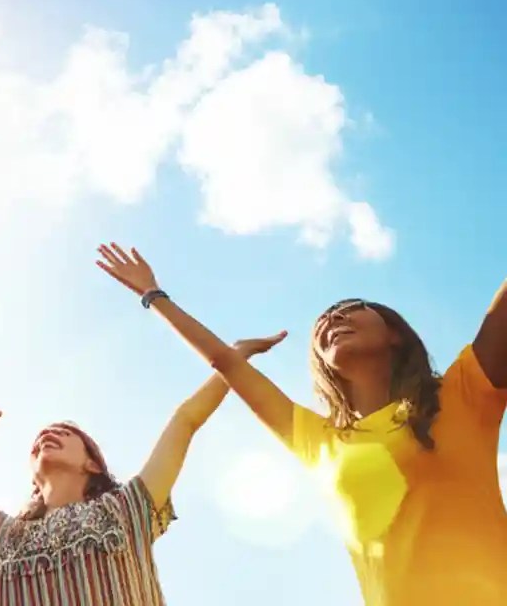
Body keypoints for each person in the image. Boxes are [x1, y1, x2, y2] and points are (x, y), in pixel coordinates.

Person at [94, 242, 507, 606]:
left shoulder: (462, 393)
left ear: (395, 334)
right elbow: (225, 364)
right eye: (322, 324)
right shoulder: (319, 441)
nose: (331, 319)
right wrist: (154, 294)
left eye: (349, 308)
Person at [0, 352, 277, 605]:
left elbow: (185, 421)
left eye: (67, 433)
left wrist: (230, 359)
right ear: (33, 476)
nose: (48, 435)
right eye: (40, 438)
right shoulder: (4, 534)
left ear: (92, 463)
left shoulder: (126, 508)